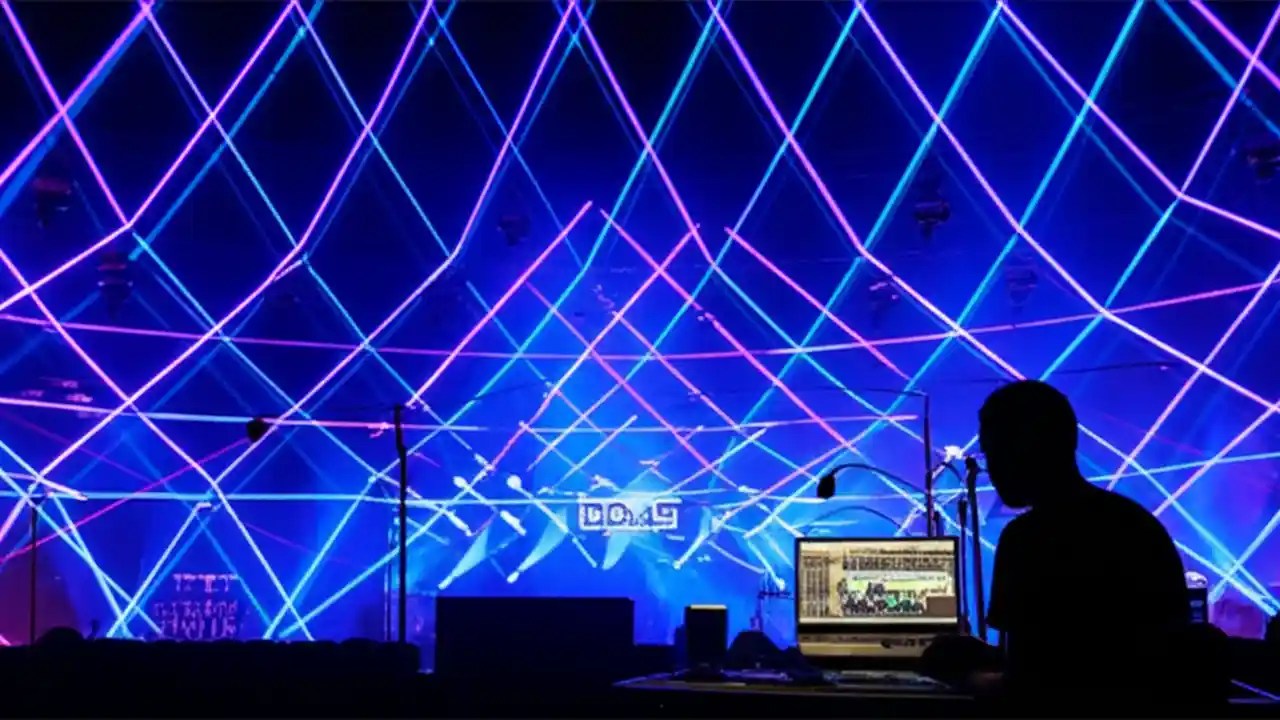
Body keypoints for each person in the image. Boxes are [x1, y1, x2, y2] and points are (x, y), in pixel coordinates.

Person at [925, 380, 1222, 708]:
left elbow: (1030, 689)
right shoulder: (1139, 525)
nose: (989, 470)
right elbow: (1089, 658)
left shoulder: (1027, 540)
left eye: (991, 452)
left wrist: (960, 675)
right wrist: (989, 655)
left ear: (1020, 450)